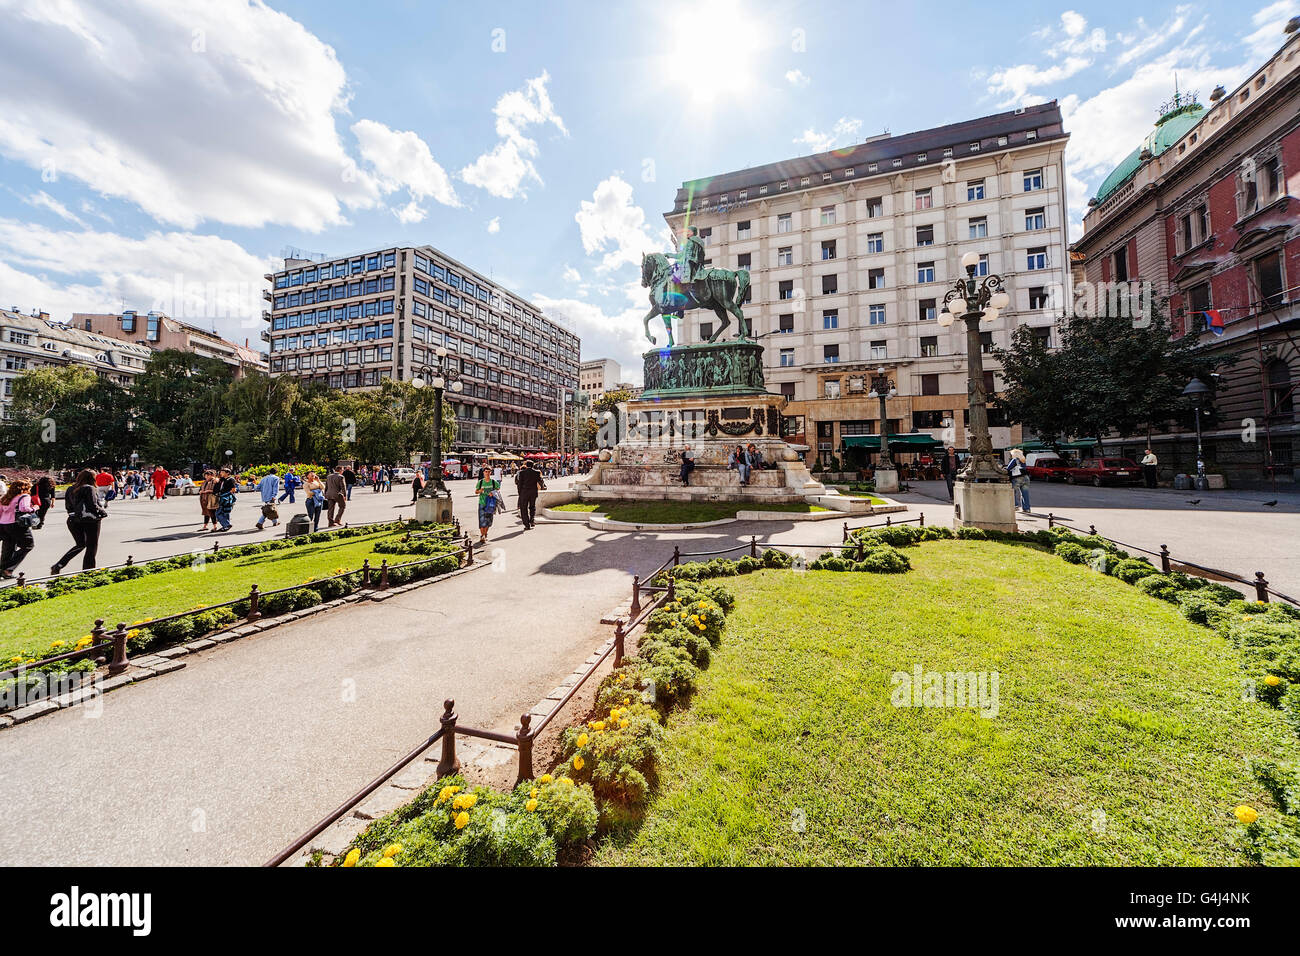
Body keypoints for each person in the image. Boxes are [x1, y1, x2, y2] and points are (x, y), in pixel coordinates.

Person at [51, 469, 107, 574]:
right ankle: (88, 571)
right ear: (92, 478)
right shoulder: (90, 488)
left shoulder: (71, 488)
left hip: (73, 520)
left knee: (80, 544)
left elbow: (68, 506)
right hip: (90, 520)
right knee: (91, 546)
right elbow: (93, 505)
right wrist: (103, 513)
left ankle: (59, 564)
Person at [0, 478, 37, 578]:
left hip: (3, 524)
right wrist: (34, 508)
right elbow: (24, 508)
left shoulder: (6, 497)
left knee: (8, 547)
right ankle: (8, 569)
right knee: (28, 545)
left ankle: (3, 569)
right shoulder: (24, 496)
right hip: (16, 524)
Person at [515, 459, 546, 530]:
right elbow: (540, 481)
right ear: (533, 465)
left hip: (524, 492)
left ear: (526, 465)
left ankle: (526, 524)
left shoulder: (522, 473)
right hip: (533, 492)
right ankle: (532, 521)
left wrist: (520, 493)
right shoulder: (537, 472)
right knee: (532, 507)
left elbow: (520, 484)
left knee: (524, 508)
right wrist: (542, 487)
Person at [475, 466, 501, 544]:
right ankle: (482, 535)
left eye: (489, 472)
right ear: (483, 473)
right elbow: (476, 492)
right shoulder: (480, 482)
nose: (487, 473)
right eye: (486, 471)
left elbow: (498, 489)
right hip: (482, 503)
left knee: (488, 520)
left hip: (491, 504)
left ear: (491, 472)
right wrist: (480, 491)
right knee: (481, 520)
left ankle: (485, 534)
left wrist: (492, 493)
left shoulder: (493, 482)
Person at [212, 466, 237, 532]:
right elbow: (217, 481)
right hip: (222, 497)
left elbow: (233, 489)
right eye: (221, 472)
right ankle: (225, 525)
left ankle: (226, 525)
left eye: (222, 472)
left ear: (227, 473)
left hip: (227, 498)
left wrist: (225, 495)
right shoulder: (223, 479)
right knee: (225, 512)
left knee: (218, 513)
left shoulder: (231, 479)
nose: (221, 473)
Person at [1007, 448, 1031, 515]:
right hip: (1026, 478)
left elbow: (1008, 468)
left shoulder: (1015, 460)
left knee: (1013, 492)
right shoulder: (1023, 460)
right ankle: (1027, 508)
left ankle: (1015, 506)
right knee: (1025, 494)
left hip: (1017, 478)